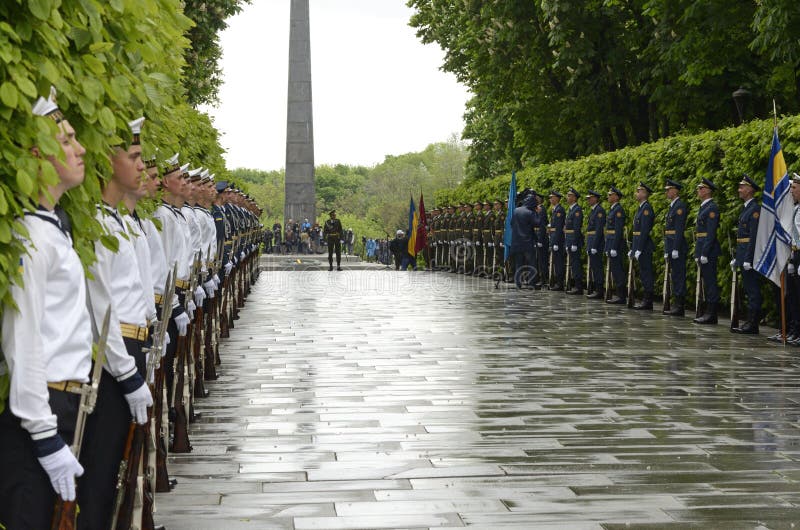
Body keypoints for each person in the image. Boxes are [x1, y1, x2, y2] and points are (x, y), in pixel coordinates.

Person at [0, 92, 93, 530]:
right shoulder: (30, 235)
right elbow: (24, 340)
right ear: (38, 153)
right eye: (68, 140)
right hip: (44, 411)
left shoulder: (51, 230)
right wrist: (44, 435)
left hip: (67, 403)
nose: (81, 149)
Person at [79, 117, 154, 529]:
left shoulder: (118, 222)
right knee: (102, 467)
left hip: (132, 348)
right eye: (135, 157)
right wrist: (125, 373)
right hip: (113, 360)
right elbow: (100, 308)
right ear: (109, 162)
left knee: (118, 469)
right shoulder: (99, 224)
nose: (143, 167)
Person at [731, 175, 761, 334]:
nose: (739, 190)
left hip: (750, 257)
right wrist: (738, 258)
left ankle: (753, 323)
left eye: (742, 187)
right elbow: (741, 238)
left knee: (753, 290)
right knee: (749, 290)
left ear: (750, 190)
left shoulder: (755, 210)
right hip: (743, 256)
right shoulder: (746, 208)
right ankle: (749, 321)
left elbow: (753, 237)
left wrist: (748, 258)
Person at [693, 178, 721, 324]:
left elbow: (710, 233)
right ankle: (708, 311)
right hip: (703, 248)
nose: (699, 191)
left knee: (710, 282)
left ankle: (712, 313)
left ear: (708, 190)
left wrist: (704, 252)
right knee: (706, 281)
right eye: (699, 188)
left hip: (709, 250)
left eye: (702, 188)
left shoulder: (712, 208)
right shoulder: (704, 207)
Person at [663, 179, 689, 316]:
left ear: (676, 191)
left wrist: (675, 248)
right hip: (671, 245)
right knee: (675, 276)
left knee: (679, 276)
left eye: (669, 189)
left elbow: (679, 229)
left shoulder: (680, 206)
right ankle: (676, 304)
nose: (666, 192)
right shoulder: (673, 206)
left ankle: (679, 305)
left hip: (676, 247)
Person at [630, 182, 655, 309]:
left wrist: (639, 248)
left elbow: (644, 231)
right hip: (639, 246)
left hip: (644, 247)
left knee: (646, 273)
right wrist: (633, 249)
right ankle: (646, 299)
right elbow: (636, 233)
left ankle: (648, 300)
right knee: (643, 273)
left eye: (638, 191)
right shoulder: (640, 208)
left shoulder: (646, 209)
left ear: (644, 194)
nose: (636, 193)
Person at [510, 193, 540, 288]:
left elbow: (511, 223)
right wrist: (537, 213)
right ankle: (531, 283)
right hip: (527, 242)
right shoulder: (530, 212)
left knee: (519, 263)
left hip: (516, 242)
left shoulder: (515, 211)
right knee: (531, 263)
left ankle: (518, 283)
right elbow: (537, 223)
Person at [605, 186, 627, 304]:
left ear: (616, 197)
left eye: (610, 194)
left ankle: (621, 295)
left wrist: (613, 247)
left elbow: (618, 231)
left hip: (616, 245)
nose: (608, 196)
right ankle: (618, 294)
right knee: (614, 269)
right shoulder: (613, 209)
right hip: (611, 242)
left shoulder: (618, 210)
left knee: (618, 270)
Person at [585, 190, 606, 299]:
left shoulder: (599, 211)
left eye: (590, 198)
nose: (588, 200)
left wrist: (594, 246)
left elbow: (598, 230)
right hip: (591, 241)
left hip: (596, 244)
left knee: (597, 267)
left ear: (595, 199)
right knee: (594, 266)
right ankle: (596, 289)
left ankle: (599, 290)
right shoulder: (594, 211)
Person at [564, 188, 584, 294]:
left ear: (574, 198)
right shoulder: (571, 210)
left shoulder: (577, 210)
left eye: (569, 195)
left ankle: (578, 287)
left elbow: (576, 228)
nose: (567, 197)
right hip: (570, 240)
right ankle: (576, 285)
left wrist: (575, 243)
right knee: (573, 263)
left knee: (576, 264)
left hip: (574, 241)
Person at [548, 191, 566, 290]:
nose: (550, 199)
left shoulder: (559, 210)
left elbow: (558, 228)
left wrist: (555, 242)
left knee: (559, 262)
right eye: (550, 197)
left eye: (552, 197)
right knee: (556, 261)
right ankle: (557, 282)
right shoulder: (554, 210)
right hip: (554, 238)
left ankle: (560, 283)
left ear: (557, 199)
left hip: (558, 241)